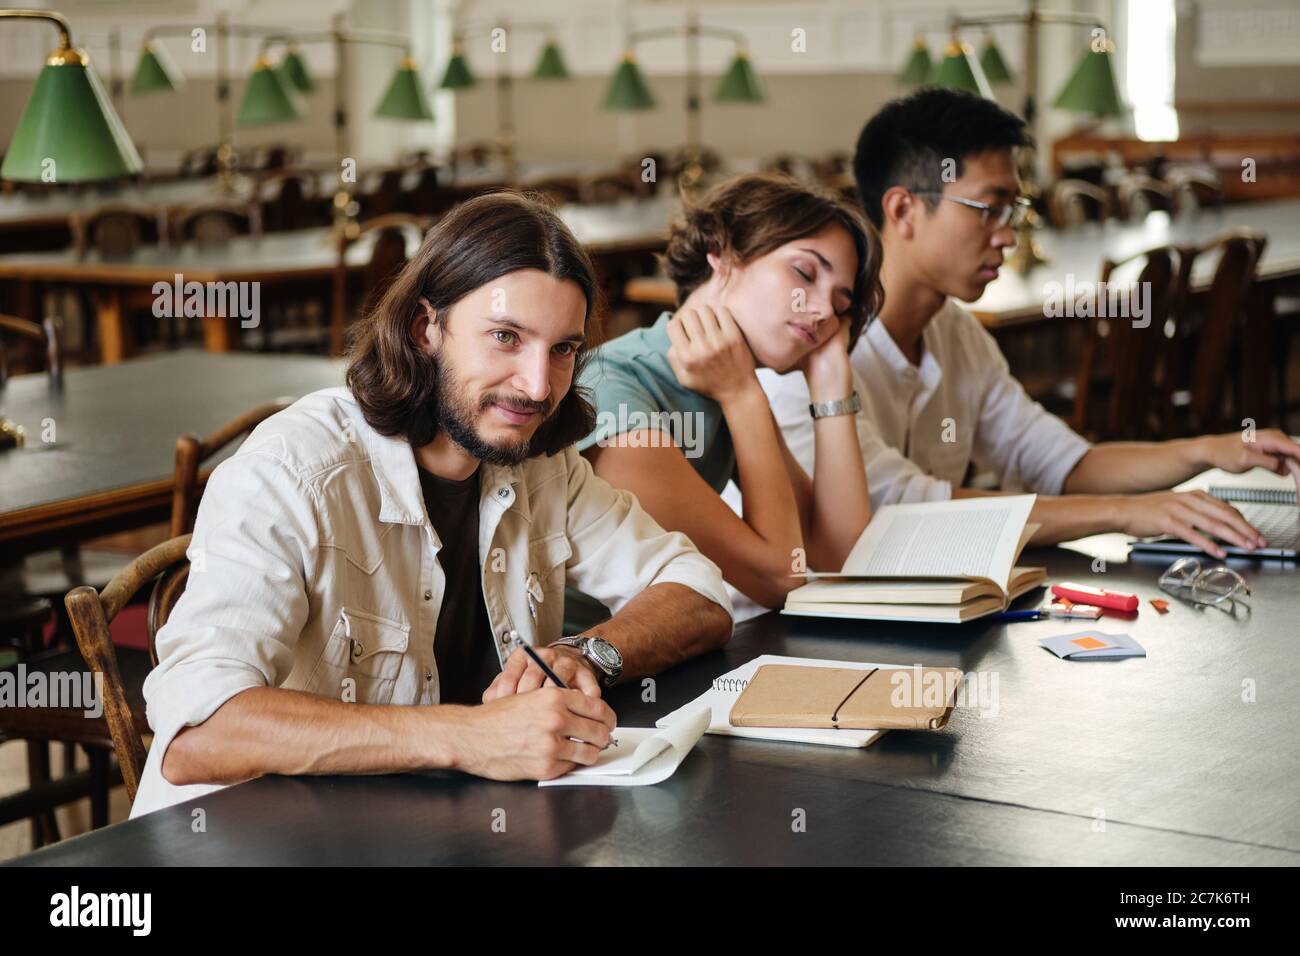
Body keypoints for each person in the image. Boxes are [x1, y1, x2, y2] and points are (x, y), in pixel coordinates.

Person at [133, 191, 733, 816]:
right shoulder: (291, 470)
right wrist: (470, 737)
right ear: (427, 329)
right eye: (506, 337)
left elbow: (698, 590)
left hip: (423, 830)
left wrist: (585, 653)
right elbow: (194, 736)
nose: (536, 385)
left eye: (562, 350)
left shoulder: (541, 464)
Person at [757, 87, 1300, 559]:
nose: (1008, 236)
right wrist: (1127, 513)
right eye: (988, 209)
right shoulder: (807, 345)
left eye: (1013, 213)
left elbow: (1065, 464)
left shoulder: (955, 333)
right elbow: (900, 509)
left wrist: (1210, 450)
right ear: (903, 211)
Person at [566, 172, 882, 633]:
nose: (820, 312)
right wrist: (742, 395)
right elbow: (781, 579)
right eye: (804, 274)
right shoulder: (616, 387)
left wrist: (832, 379)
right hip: (551, 674)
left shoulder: (724, 383)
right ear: (721, 252)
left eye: (840, 304)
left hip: (645, 660)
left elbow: (835, 552)